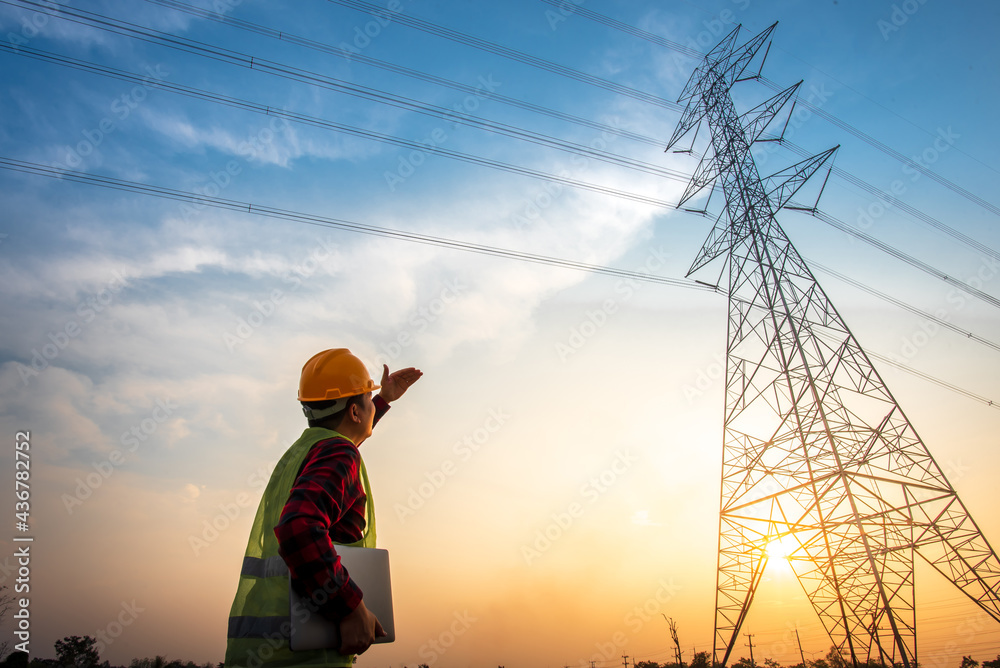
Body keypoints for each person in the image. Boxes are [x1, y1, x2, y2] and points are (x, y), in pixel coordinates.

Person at [225, 348, 422, 668]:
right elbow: (298, 529)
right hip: (307, 657)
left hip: (269, 652)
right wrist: (350, 607)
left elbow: (343, 439)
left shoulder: (306, 450)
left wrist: (382, 400)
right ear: (355, 412)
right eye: (368, 399)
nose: (372, 405)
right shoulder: (338, 454)